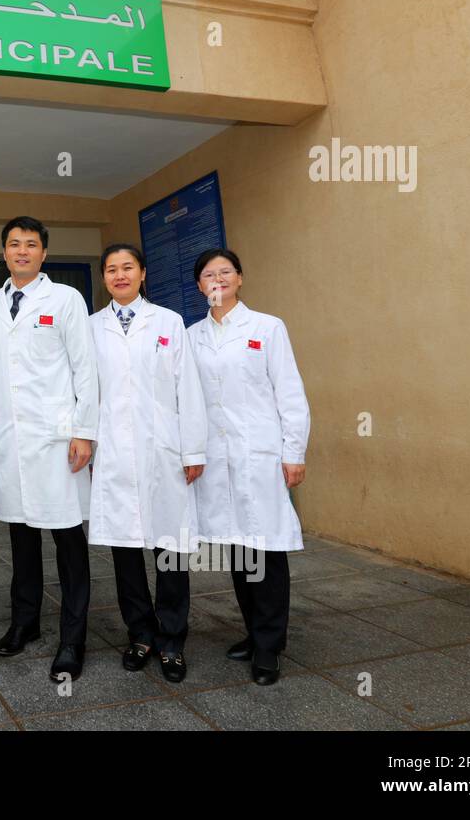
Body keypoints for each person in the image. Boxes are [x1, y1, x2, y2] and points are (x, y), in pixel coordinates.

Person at [0, 216, 99, 682]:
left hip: (57, 439)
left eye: (31, 244)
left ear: (44, 253)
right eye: (14, 244)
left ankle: (73, 639)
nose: (23, 251)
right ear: (5, 252)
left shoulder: (66, 299)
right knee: (20, 537)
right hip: (12, 438)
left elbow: (84, 369)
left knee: (68, 539)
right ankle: (24, 622)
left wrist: (84, 431)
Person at [186, 248, 310, 686]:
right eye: (207, 274)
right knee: (238, 549)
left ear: (239, 278)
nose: (217, 279)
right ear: (199, 285)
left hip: (260, 455)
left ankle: (270, 646)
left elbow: (289, 392)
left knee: (267, 550)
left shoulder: (267, 328)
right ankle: (254, 632)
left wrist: (293, 452)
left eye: (225, 272)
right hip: (217, 461)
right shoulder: (192, 335)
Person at [88, 244, 208, 684]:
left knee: (170, 548)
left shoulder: (169, 322)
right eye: (111, 270)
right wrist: (87, 446)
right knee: (125, 549)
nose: (119, 276)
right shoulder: (90, 327)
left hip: (164, 452)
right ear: (104, 278)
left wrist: (193, 449)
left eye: (127, 268)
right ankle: (140, 634)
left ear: (142, 274)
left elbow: (188, 389)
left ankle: (172, 640)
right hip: (115, 452)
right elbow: (86, 392)